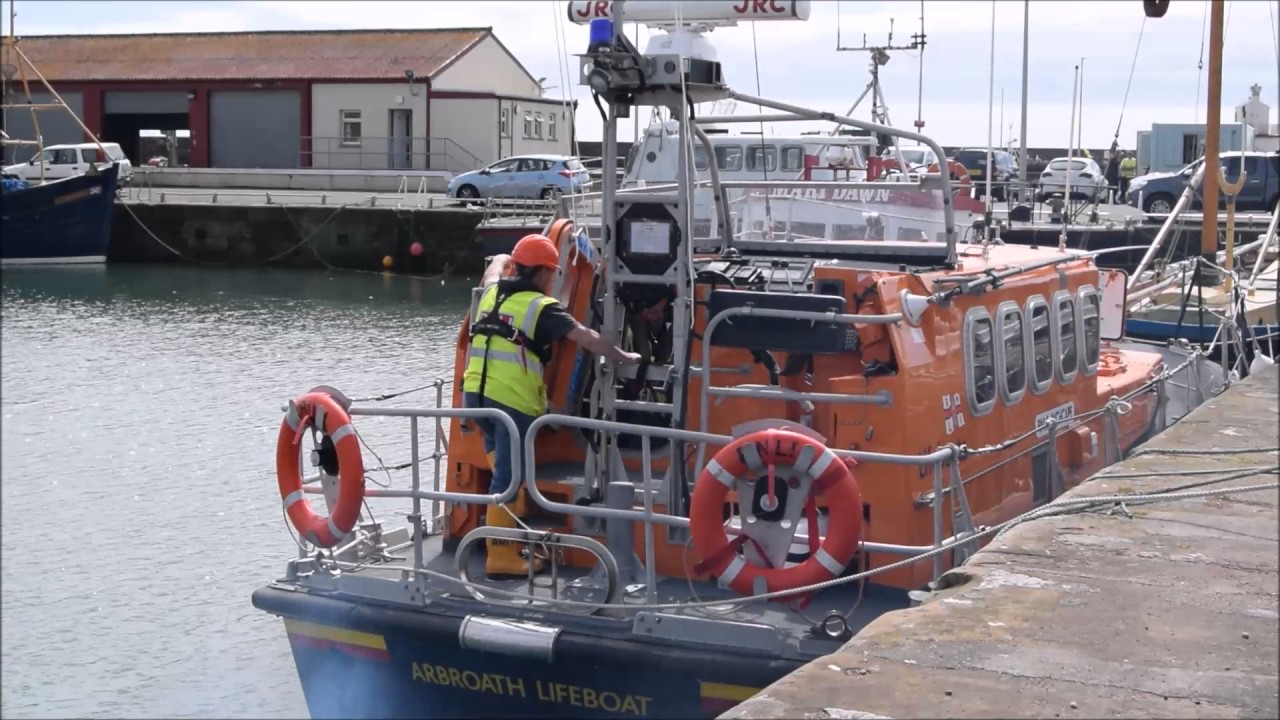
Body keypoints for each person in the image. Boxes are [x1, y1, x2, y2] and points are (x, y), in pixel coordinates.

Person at [463, 233, 641, 579]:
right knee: (508, 478)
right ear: (546, 273)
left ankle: (509, 535)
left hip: (475, 399)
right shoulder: (542, 307)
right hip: (511, 402)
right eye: (552, 273)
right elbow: (585, 337)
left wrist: (502, 257)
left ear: (516, 267)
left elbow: (493, 270)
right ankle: (500, 556)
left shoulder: (490, 293)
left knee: (503, 465)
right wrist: (623, 356)